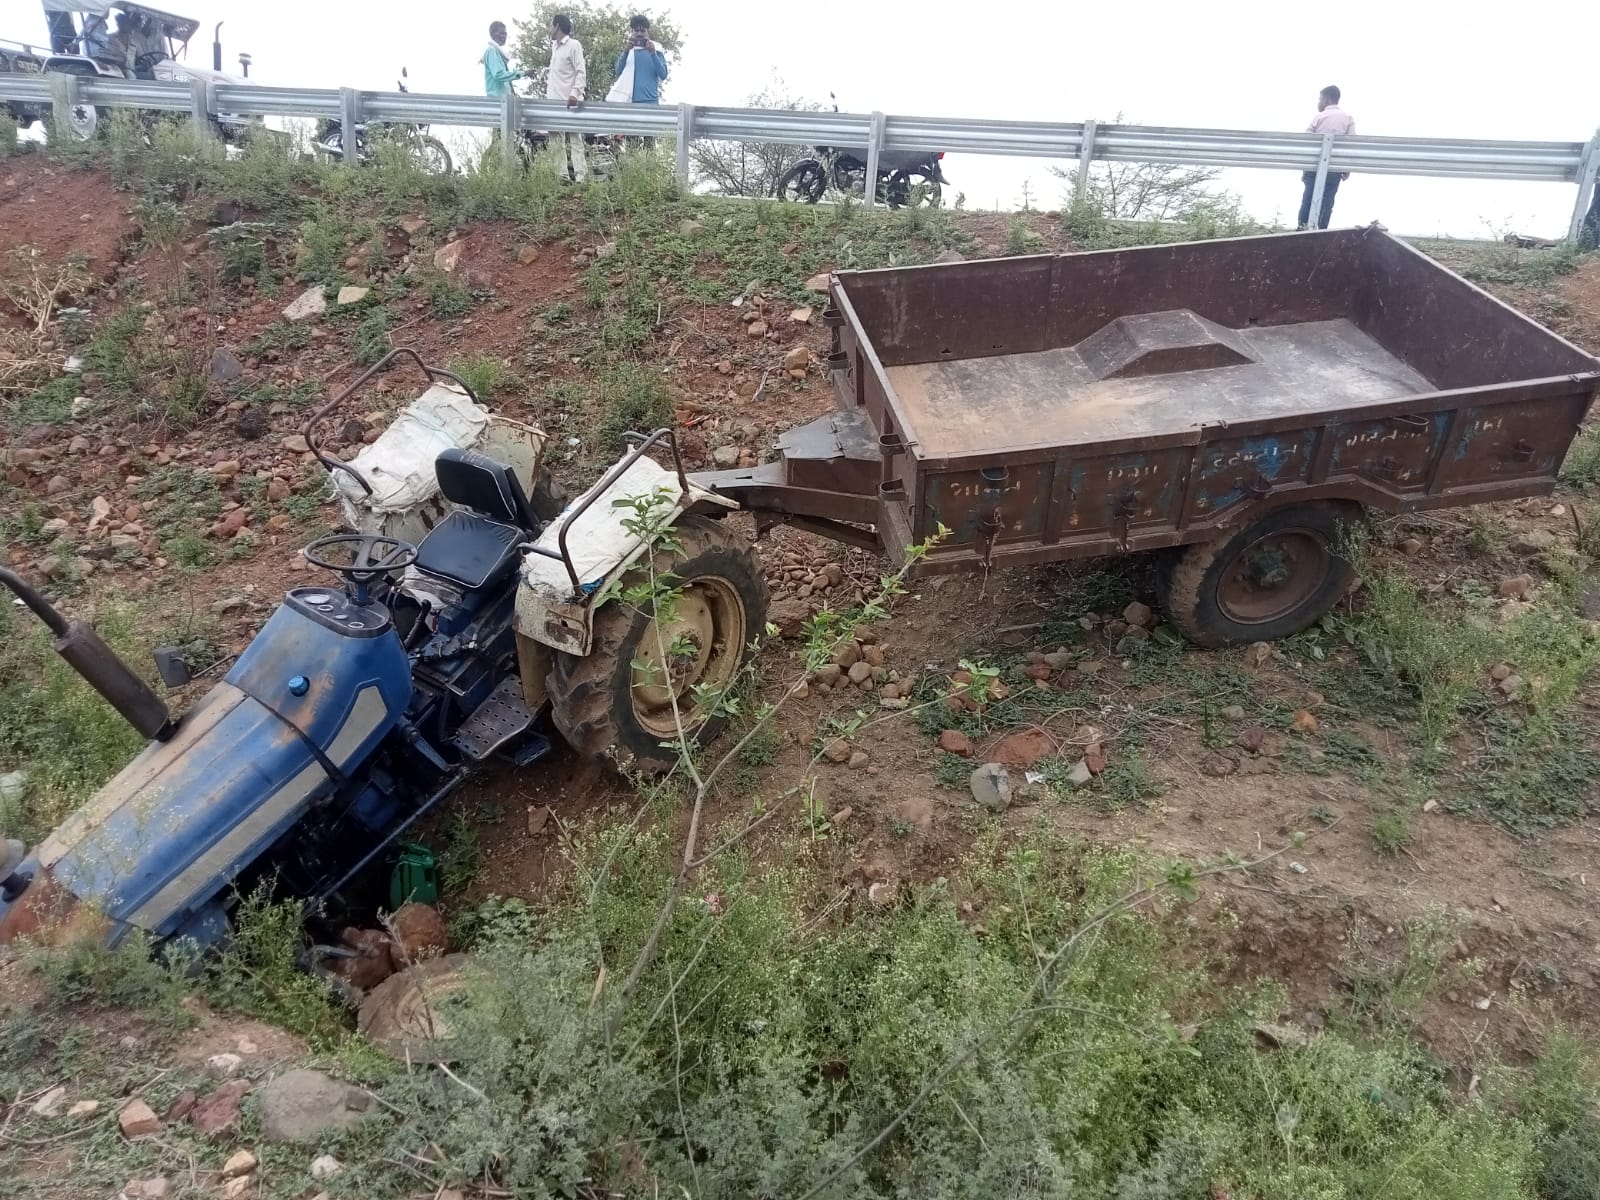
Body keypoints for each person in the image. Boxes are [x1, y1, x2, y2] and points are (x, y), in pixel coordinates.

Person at [1296, 85, 1355, 230]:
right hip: (1334, 169)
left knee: (1308, 200)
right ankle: (1321, 231)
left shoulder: (1319, 117)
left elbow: (1306, 143)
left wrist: (1304, 169)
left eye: (1320, 99)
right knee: (1327, 201)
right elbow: (1352, 144)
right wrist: (1346, 168)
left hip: (1314, 168)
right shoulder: (1348, 118)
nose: (1318, 102)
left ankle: (1302, 228)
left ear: (1327, 99)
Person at [546, 14, 588, 181]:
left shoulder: (574, 45)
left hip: (570, 100)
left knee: (575, 138)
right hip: (554, 101)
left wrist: (575, 93)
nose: (550, 29)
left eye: (551, 26)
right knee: (556, 139)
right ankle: (562, 177)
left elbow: (580, 71)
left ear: (557, 26)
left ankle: (580, 177)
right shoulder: (554, 47)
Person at [481, 21, 523, 98]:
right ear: (493, 34)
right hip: (496, 102)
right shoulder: (491, 51)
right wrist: (522, 73)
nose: (504, 36)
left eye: (505, 34)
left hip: (504, 101)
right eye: (502, 33)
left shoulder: (499, 54)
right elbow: (498, 75)